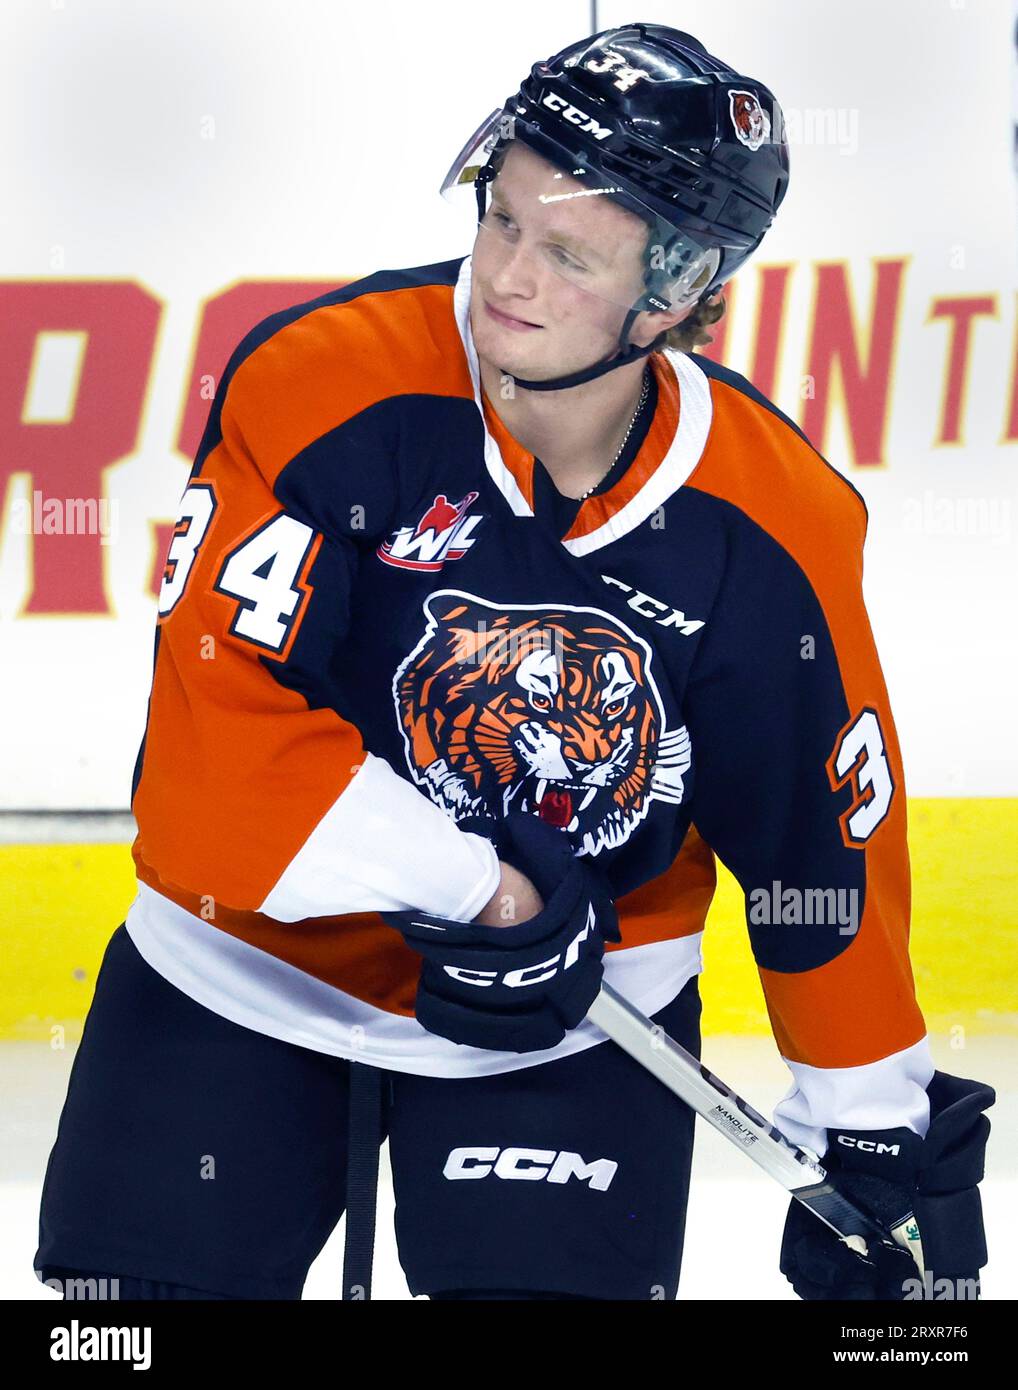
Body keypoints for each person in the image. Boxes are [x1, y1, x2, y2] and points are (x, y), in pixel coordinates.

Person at [35, 22, 992, 1303]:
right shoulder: (327, 383)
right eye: (502, 221)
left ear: (680, 291)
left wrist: (872, 1110)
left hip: (578, 1016)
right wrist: (486, 891)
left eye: (567, 253)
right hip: (245, 972)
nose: (505, 277)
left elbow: (816, 835)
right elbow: (214, 759)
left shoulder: (774, 521)